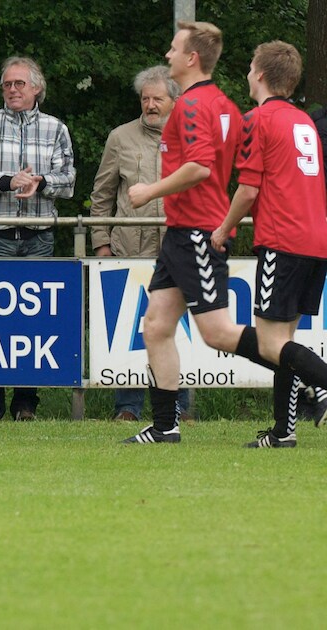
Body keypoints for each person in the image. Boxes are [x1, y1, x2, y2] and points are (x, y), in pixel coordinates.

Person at [117, 22, 253, 444]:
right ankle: (164, 427)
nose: (168, 53)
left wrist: (148, 191)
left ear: (192, 58)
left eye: (174, 48)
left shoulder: (193, 106)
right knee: (156, 326)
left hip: (197, 230)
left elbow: (200, 168)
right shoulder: (225, 104)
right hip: (182, 232)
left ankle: (309, 374)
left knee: (217, 334)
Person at [209, 41, 327, 447]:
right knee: (285, 343)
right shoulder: (304, 121)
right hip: (315, 240)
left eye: (248, 68)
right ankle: (283, 432)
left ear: (259, 74)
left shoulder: (258, 120)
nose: (245, 75)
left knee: (272, 343)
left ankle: (322, 385)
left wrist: (223, 229)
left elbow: (247, 191)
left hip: (283, 238)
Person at [0, 56, 75, 420]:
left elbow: (69, 181)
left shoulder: (56, 128)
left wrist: (41, 183)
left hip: (39, 237)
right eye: (7, 84)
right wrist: (7, 181)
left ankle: (26, 403)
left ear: (37, 88)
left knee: (33, 322)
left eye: (19, 84)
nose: (12, 90)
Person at [88, 65, 192, 422]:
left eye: (157, 99)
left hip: (176, 248)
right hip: (128, 250)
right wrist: (102, 244)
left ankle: (181, 406)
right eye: (145, 98)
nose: (149, 105)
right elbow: (101, 197)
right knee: (132, 329)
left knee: (177, 327)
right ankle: (127, 407)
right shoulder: (120, 137)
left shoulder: (191, 137)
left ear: (174, 101)